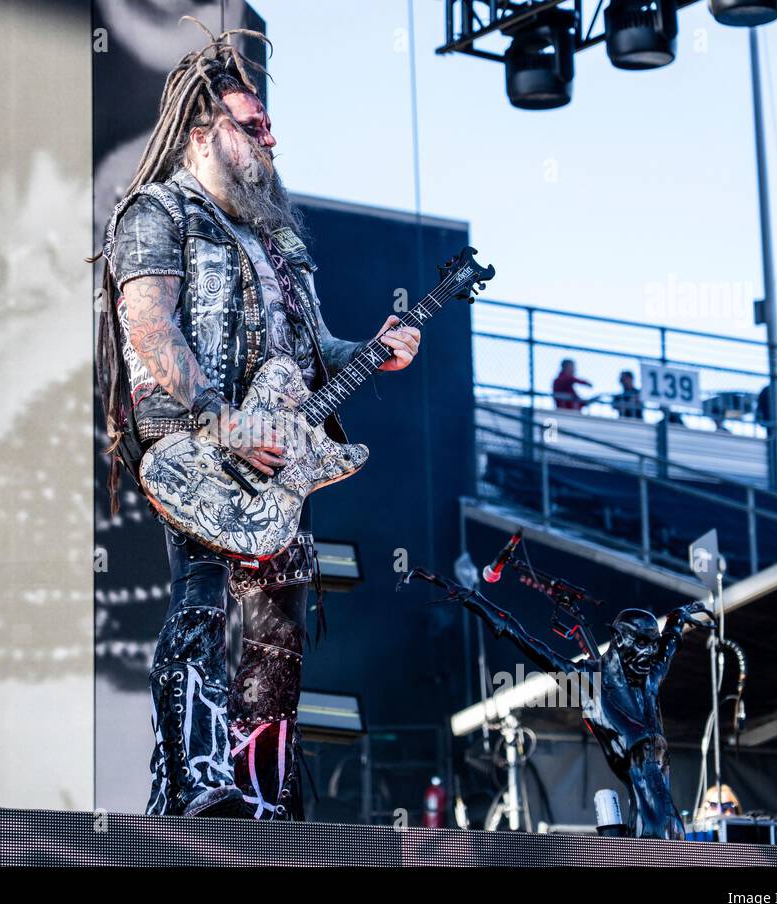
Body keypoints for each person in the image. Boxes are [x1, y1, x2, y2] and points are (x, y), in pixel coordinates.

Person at [95, 21, 420, 819]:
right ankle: (189, 780)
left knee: (277, 635)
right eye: (254, 125)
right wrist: (225, 423)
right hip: (198, 447)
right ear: (204, 132)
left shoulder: (278, 237)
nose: (270, 138)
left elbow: (310, 352)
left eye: (270, 126)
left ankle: (261, 793)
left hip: (281, 454)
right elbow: (151, 331)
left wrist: (373, 348)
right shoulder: (157, 212)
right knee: (204, 602)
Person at [457, 589, 716, 839]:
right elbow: (532, 646)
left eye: (652, 645)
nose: (649, 652)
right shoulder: (588, 683)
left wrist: (676, 619)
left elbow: (668, 648)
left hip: (673, 827)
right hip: (645, 831)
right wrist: (476, 602)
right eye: (641, 643)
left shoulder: (648, 683)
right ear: (619, 639)